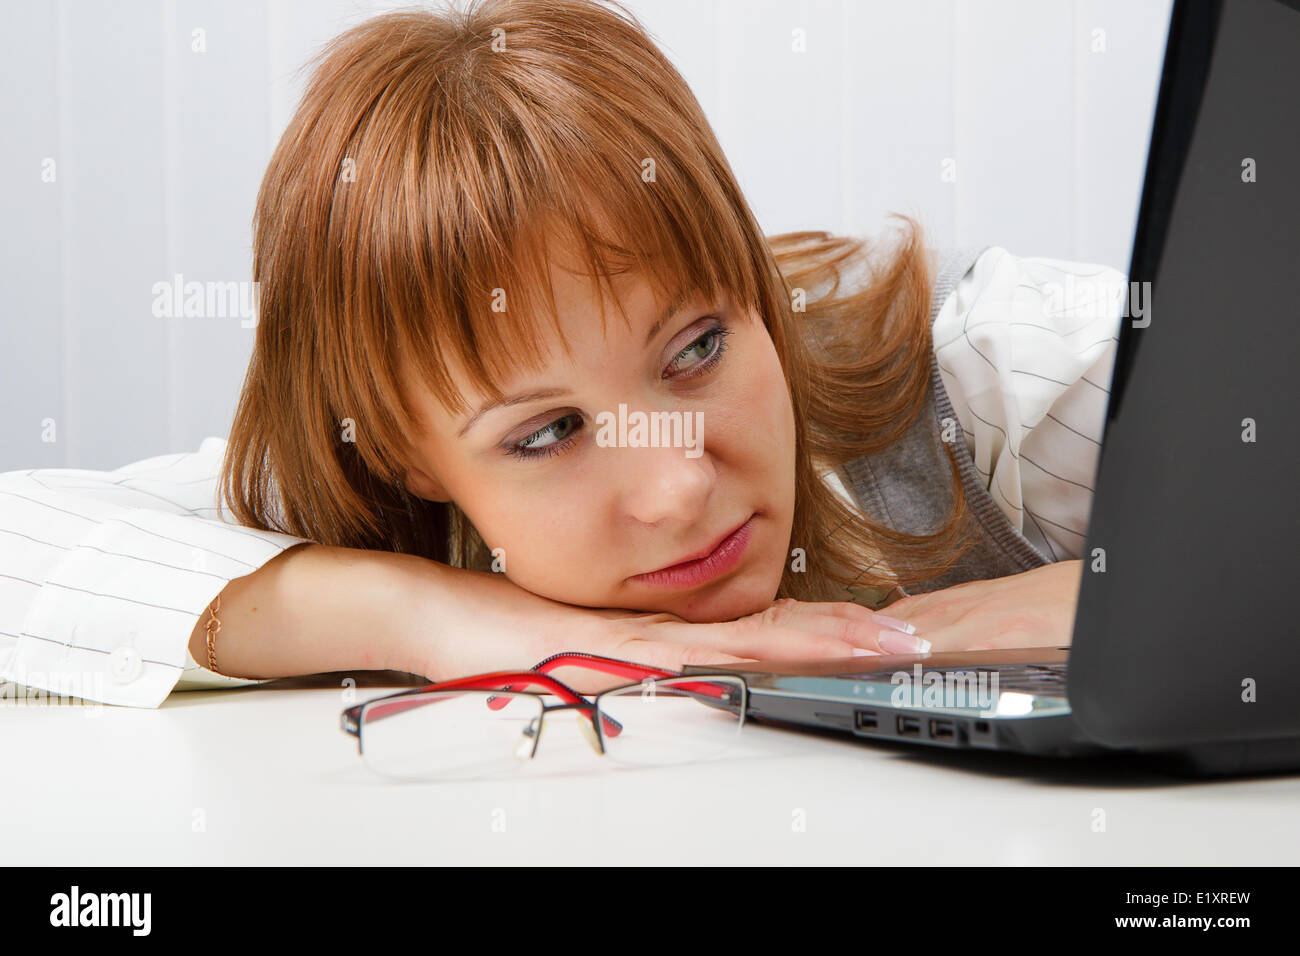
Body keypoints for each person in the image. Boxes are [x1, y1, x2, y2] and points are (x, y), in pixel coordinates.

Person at [0, 0, 1121, 709]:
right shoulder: (379, 493)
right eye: (546, 432)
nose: (677, 481)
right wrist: (445, 619)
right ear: (407, 457)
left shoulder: (973, 371)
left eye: (696, 348)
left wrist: (1108, 595)